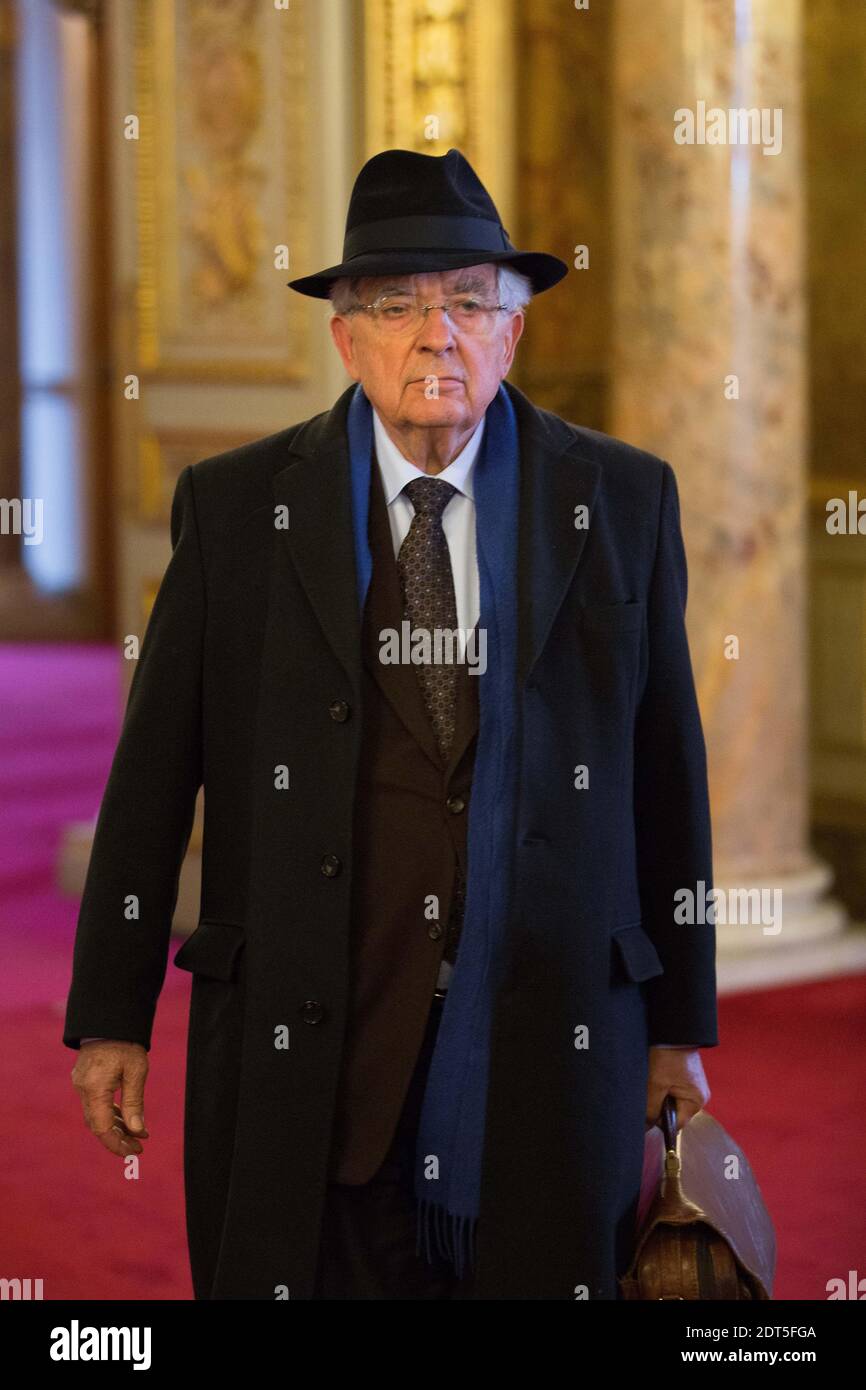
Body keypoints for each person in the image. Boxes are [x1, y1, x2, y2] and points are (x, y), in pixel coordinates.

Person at [65, 147, 717, 1301]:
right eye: (399, 306)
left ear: (512, 331)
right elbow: (154, 773)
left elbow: (665, 776)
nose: (437, 335)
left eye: (469, 300)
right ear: (345, 336)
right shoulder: (235, 508)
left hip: (546, 1040)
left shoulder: (620, 498)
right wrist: (113, 1013)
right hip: (309, 1041)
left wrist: (679, 1026)